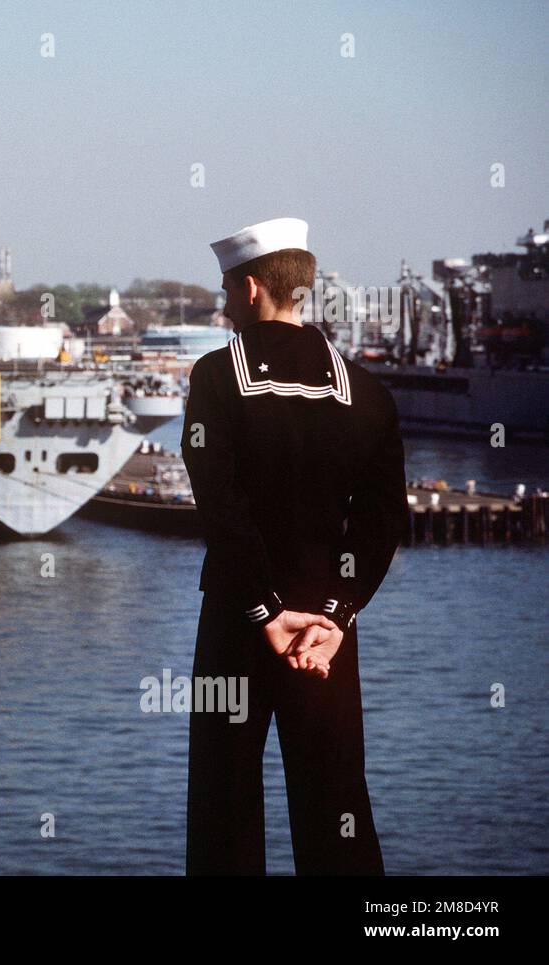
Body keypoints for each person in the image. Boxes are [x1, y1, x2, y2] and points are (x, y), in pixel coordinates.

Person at [182, 218, 406, 875]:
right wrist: (335, 615)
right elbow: (382, 519)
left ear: (250, 289)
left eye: (226, 290)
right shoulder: (367, 393)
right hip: (328, 634)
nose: (223, 304)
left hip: (237, 621)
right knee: (336, 805)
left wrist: (265, 610)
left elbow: (218, 506)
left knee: (223, 807)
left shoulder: (217, 378)